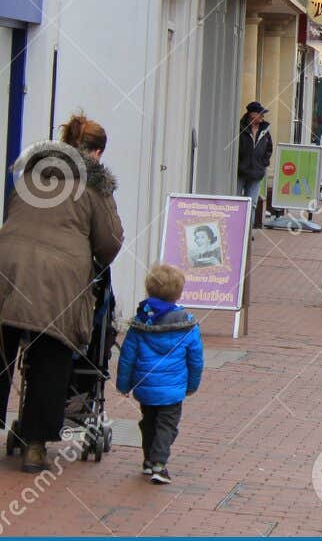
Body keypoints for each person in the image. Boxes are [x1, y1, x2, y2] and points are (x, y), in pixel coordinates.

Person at [0, 115, 124, 474]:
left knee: (3, 349)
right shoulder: (95, 185)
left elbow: (13, 215)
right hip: (58, 282)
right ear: (97, 152)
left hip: (7, 268)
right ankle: (35, 446)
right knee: (50, 356)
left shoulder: (31, 174)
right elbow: (110, 243)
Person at [115, 263, 203, 485]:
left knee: (149, 422)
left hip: (146, 387)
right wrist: (192, 385)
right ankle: (159, 464)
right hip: (173, 389)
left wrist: (124, 384)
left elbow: (127, 356)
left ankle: (148, 460)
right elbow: (195, 359)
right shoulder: (187, 324)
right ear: (179, 293)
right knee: (167, 426)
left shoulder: (141, 321)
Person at [237, 101, 273, 220]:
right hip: (240, 172)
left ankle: (248, 233)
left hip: (256, 172)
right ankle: (236, 230)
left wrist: (263, 163)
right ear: (252, 114)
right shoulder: (240, 128)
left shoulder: (265, 130)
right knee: (237, 202)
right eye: (261, 114)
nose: (263, 116)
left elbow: (269, 149)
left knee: (252, 204)